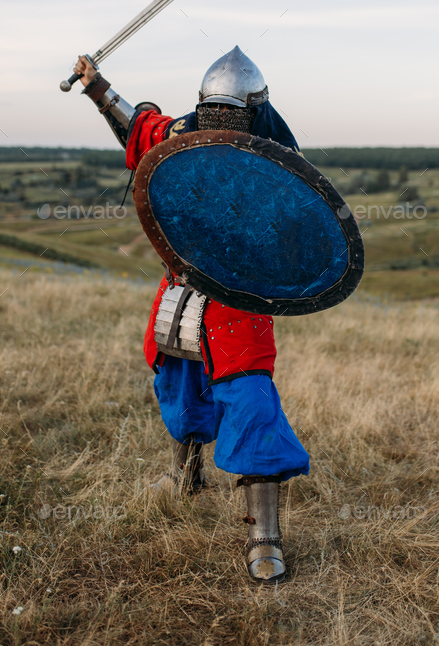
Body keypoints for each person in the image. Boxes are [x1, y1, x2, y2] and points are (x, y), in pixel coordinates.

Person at [73, 45, 309, 584]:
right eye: (213, 110)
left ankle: (263, 534)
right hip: (180, 289)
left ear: (254, 109)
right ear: (203, 105)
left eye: (230, 111)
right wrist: (96, 86)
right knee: (178, 385)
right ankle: (185, 476)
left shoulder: (274, 159)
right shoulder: (186, 131)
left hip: (237, 301)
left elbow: (294, 230)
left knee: (250, 402)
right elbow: (140, 130)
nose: (219, 120)